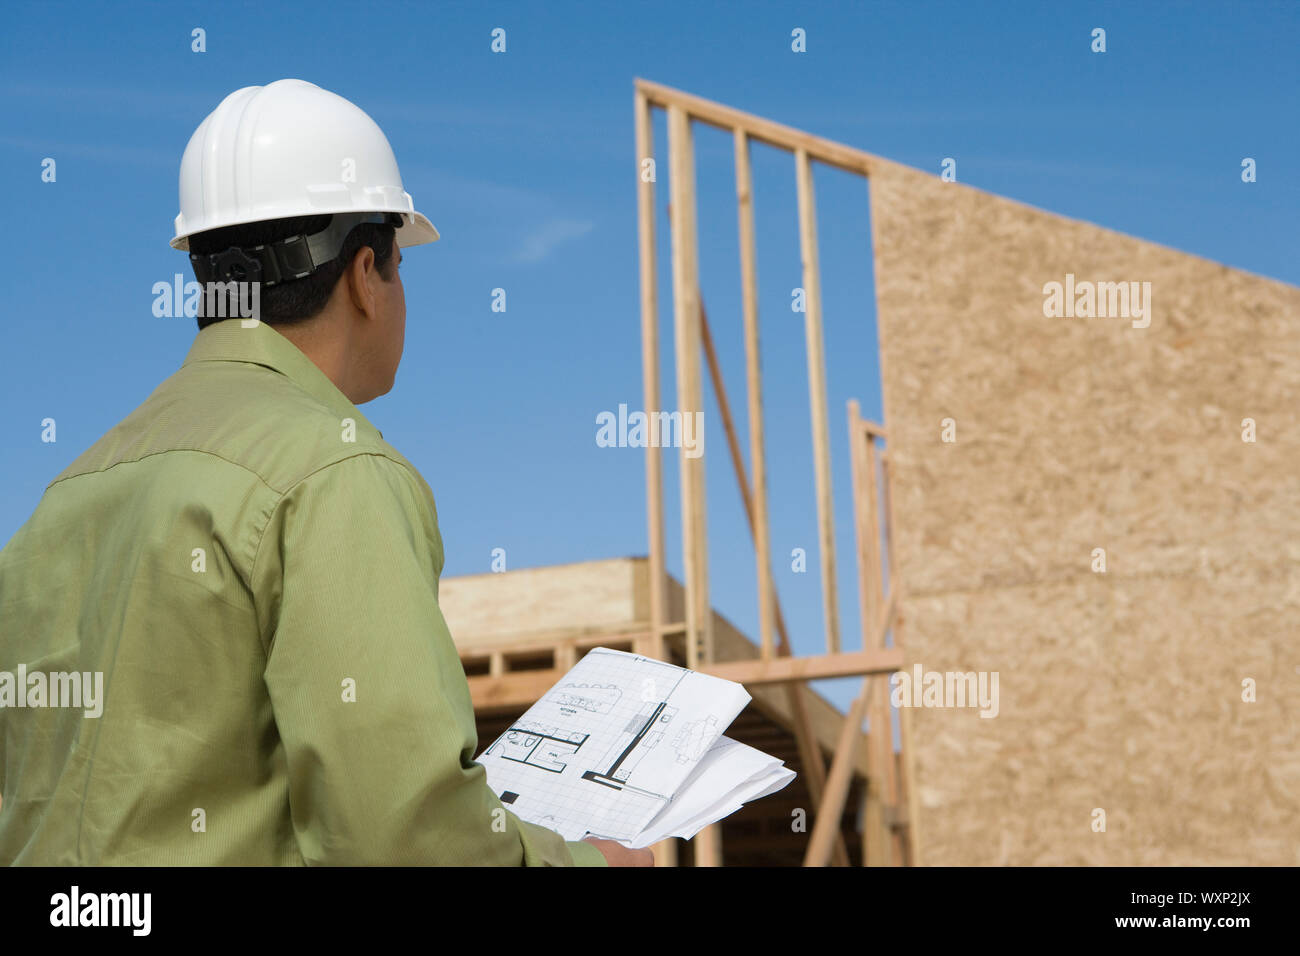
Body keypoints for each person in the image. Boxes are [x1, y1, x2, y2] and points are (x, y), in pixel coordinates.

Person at [0, 79, 652, 867]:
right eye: (400, 265)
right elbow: (406, 842)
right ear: (364, 274)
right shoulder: (334, 473)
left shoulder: (65, 498)